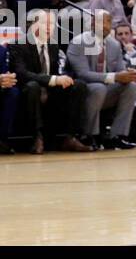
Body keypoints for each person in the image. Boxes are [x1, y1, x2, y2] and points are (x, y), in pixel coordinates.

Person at [10, 10, 92, 153]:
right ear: (33, 26)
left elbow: (56, 72)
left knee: (78, 85)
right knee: (33, 86)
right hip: (28, 92)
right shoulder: (18, 44)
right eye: (44, 23)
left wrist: (62, 79)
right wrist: (53, 80)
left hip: (50, 90)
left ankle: (70, 137)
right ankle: (37, 138)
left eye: (53, 24)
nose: (49, 27)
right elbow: (22, 74)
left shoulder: (53, 46)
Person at [67, 10, 136, 149]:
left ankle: (118, 136)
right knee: (98, 88)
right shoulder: (79, 42)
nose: (105, 26)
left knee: (131, 86)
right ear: (93, 24)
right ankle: (89, 136)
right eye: (101, 22)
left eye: (108, 22)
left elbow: (120, 72)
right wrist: (115, 77)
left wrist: (130, 74)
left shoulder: (114, 44)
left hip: (104, 91)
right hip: (80, 91)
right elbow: (82, 74)